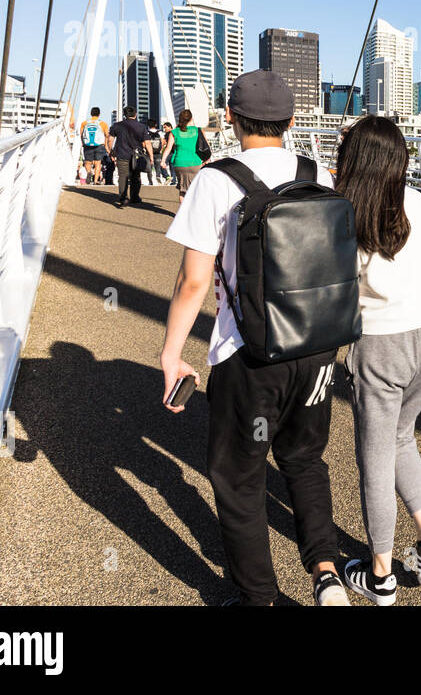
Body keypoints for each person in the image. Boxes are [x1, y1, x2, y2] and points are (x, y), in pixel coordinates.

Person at [160, 69, 349, 606]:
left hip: (249, 353)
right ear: (291, 122)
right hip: (317, 344)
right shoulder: (320, 175)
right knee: (305, 459)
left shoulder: (216, 180)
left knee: (239, 477)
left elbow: (194, 281)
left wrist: (172, 355)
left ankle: (259, 596)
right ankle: (326, 571)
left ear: (232, 118)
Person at [334, 116, 421, 606]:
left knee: (375, 462)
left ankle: (380, 575)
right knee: (403, 437)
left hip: (380, 344)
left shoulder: (345, 211)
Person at [107, 106, 153, 208]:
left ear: (124, 114)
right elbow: (148, 143)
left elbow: (110, 139)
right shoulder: (141, 127)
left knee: (122, 176)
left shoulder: (117, 125)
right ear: (135, 114)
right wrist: (151, 156)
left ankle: (123, 198)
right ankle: (134, 197)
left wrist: (111, 151)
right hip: (136, 156)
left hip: (121, 154)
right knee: (136, 177)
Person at [163, 109, 204, 201]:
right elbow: (205, 146)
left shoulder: (174, 132)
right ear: (191, 119)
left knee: (182, 190)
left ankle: (183, 213)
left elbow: (168, 148)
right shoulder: (197, 130)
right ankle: (194, 212)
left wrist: (163, 161)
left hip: (179, 163)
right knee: (196, 189)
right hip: (195, 163)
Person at [78, 107, 110, 184]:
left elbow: (81, 134)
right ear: (99, 114)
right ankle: (95, 181)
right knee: (98, 163)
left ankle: (89, 172)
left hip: (88, 144)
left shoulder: (85, 123)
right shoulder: (103, 124)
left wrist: (83, 143)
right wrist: (106, 145)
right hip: (99, 145)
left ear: (91, 113)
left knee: (88, 162)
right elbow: (107, 135)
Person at [155, 121, 174, 185]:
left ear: (170, 127)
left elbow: (165, 143)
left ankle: (166, 176)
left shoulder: (168, 134)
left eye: (165, 127)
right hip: (174, 152)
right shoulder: (175, 133)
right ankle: (173, 181)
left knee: (162, 164)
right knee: (172, 167)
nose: (164, 129)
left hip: (169, 152)